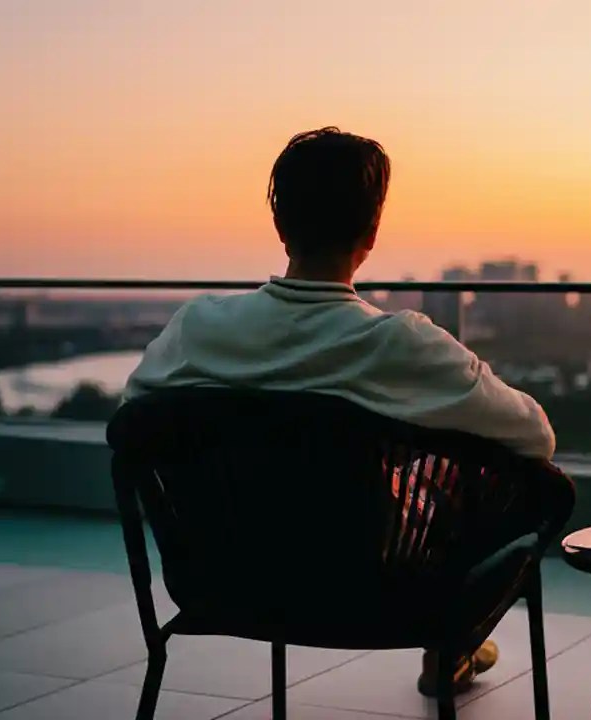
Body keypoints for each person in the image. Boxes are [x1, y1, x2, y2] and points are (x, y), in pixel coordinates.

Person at [125, 127, 556, 696]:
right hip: (374, 587)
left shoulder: (197, 327)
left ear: (280, 227)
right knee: (518, 482)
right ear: (372, 232)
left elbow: (134, 417)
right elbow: (535, 437)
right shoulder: (400, 344)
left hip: (225, 579)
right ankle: (453, 637)